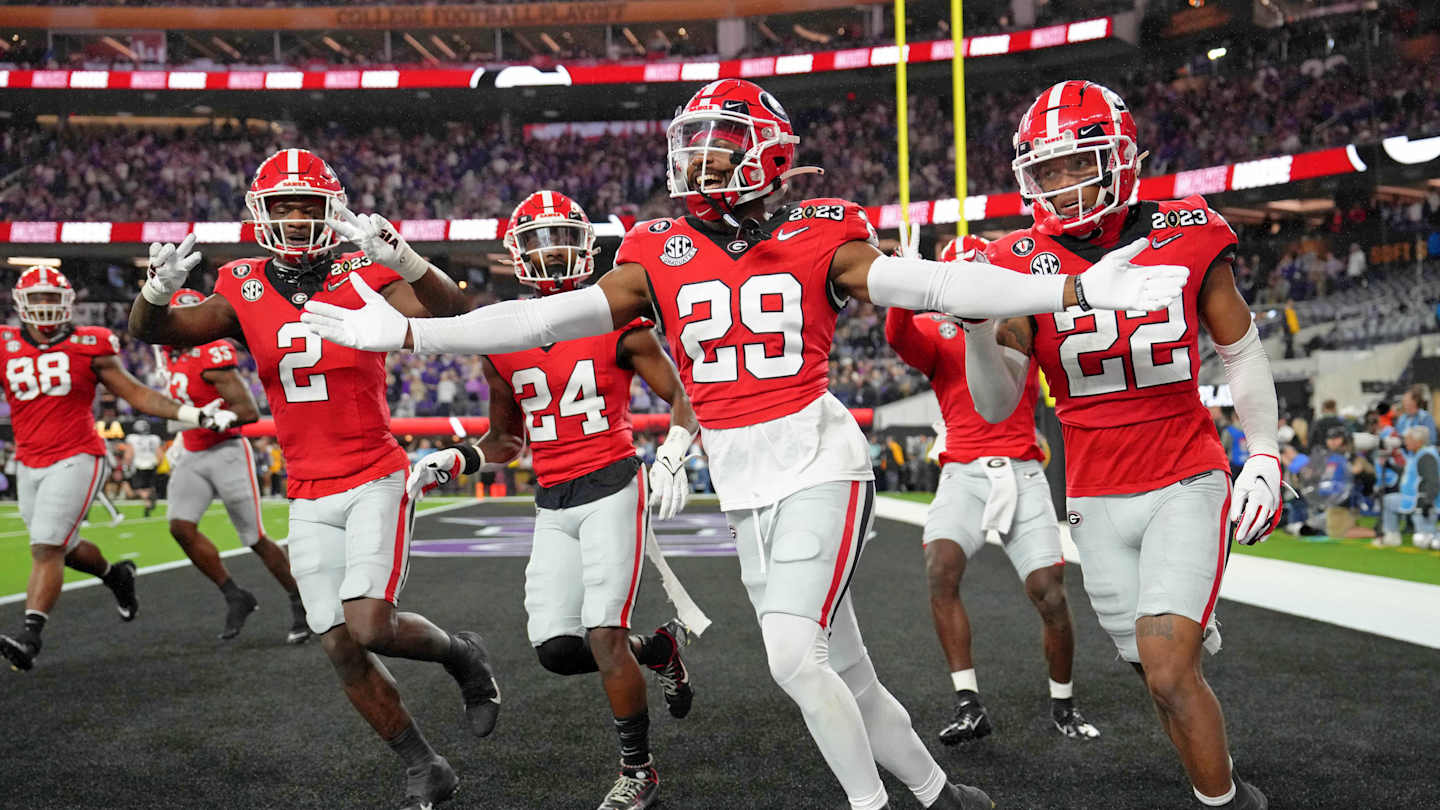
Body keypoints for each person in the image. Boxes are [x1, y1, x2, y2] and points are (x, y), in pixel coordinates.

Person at [299, 79, 1188, 810]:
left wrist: (1064, 294)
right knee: (845, 670)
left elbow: (922, 281)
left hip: (817, 461)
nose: (699, 159)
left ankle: (871, 806)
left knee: (791, 658)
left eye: (720, 143)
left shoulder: (822, 230)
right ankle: (937, 791)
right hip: (744, 477)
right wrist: (409, 335)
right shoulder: (655, 246)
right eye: (694, 143)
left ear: (762, 154)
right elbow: (540, 314)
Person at [128, 148, 500, 810]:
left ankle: (462, 656)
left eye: (308, 205)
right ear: (260, 213)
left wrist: (406, 259)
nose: (296, 218)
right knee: (338, 644)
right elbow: (162, 330)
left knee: (368, 626)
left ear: (333, 212)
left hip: (372, 474)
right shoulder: (241, 283)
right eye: (282, 206)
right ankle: (423, 765)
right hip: (305, 488)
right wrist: (154, 290)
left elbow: (451, 317)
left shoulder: (364, 268)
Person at [963, 80, 1280, 810]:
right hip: (1094, 495)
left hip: (1184, 474)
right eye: (1047, 171)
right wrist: (979, 328)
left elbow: (1240, 348)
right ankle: (1217, 768)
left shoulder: (1186, 227)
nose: (1063, 184)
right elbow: (995, 401)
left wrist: (1262, 450)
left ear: (1123, 158)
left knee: (1170, 669)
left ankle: (1227, 801)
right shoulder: (1014, 258)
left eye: (1079, 164)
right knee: (1152, 672)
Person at [409, 190, 700, 810]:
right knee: (558, 651)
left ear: (587, 247)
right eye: (538, 243)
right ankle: (660, 650)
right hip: (552, 497)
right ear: (516, 256)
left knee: (601, 634)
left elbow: (683, 397)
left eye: (563, 239)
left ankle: (638, 771)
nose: (552, 254)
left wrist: (675, 448)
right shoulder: (501, 334)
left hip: (614, 484)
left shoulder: (617, 318)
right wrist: (458, 457)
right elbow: (506, 437)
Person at [885, 232, 1098, 746]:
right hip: (964, 470)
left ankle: (1064, 702)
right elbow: (898, 338)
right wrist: (901, 287)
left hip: (1022, 469)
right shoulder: (935, 331)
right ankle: (967, 703)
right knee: (940, 567)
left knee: (1048, 593)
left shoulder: (1019, 320)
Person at [0, 266, 237, 672]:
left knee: (45, 546)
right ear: (20, 304)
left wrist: (191, 414)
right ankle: (116, 577)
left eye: (50, 298)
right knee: (65, 547)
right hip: (28, 459)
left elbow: (137, 393)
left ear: (69, 305)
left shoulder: (89, 343)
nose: (44, 307)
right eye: (36, 299)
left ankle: (31, 636)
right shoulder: (5, 345)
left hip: (77, 455)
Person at [157, 289, 310, 644]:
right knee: (180, 527)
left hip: (225, 450)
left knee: (254, 537)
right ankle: (234, 594)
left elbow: (249, 411)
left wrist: (217, 419)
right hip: (193, 452)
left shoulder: (209, 354)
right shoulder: (168, 353)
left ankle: (299, 599)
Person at [1378, 425, 1439, 549]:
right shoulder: (1417, 454)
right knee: (1388, 500)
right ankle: (1391, 535)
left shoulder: (1426, 456)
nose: (1405, 442)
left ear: (1419, 441)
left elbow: (1433, 481)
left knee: (1424, 542)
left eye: (1408, 439)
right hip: (1410, 499)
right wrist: (1391, 466)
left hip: (1421, 502)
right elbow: (1409, 474)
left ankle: (1435, 536)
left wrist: (1427, 502)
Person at [124, 418, 161, 516]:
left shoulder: (132, 438)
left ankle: (147, 498)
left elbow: (129, 455)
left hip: (139, 465)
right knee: (149, 487)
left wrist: (126, 466)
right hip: (152, 465)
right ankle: (148, 504)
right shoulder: (154, 439)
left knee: (138, 489)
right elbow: (160, 456)